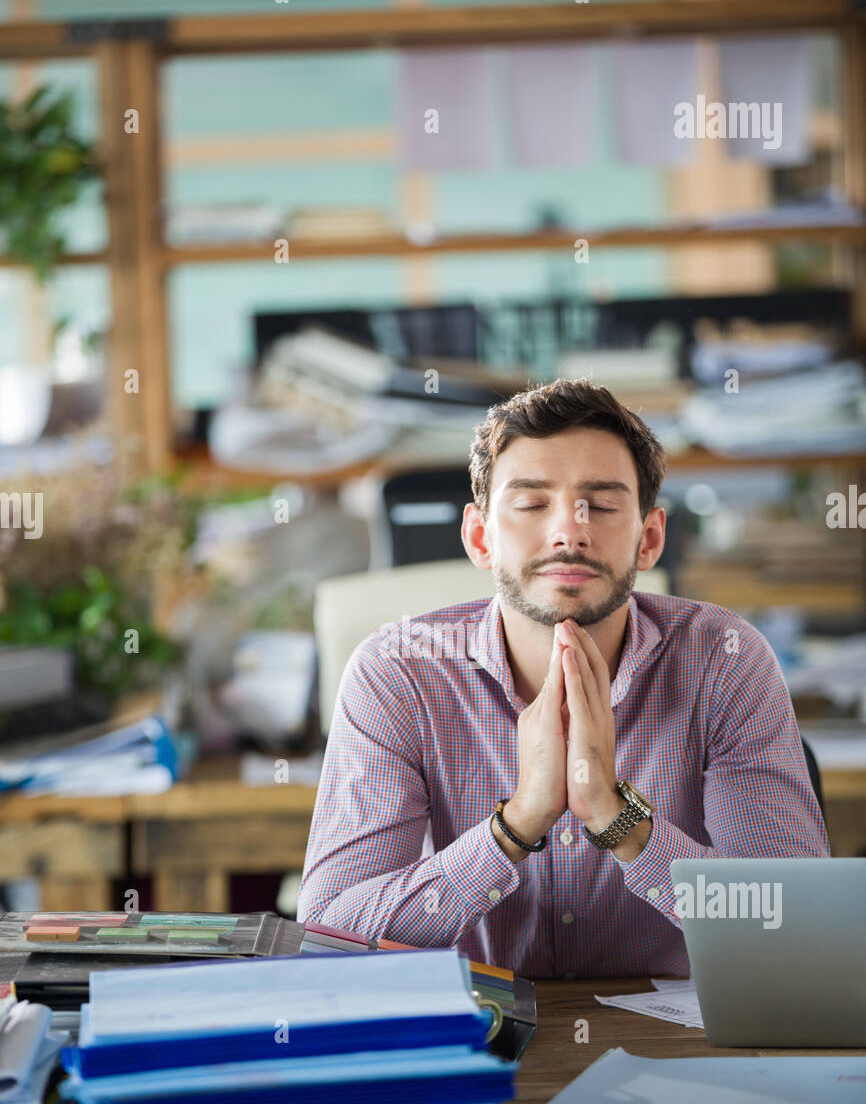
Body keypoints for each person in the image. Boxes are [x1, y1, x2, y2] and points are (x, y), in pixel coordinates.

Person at [297, 379, 829, 977]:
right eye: (530, 505)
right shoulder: (395, 672)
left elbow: (796, 938)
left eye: (601, 505)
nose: (569, 532)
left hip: (677, 1047)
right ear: (481, 538)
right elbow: (329, 942)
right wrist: (516, 823)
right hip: (478, 1041)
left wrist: (615, 817)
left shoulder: (726, 660)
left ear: (649, 538)